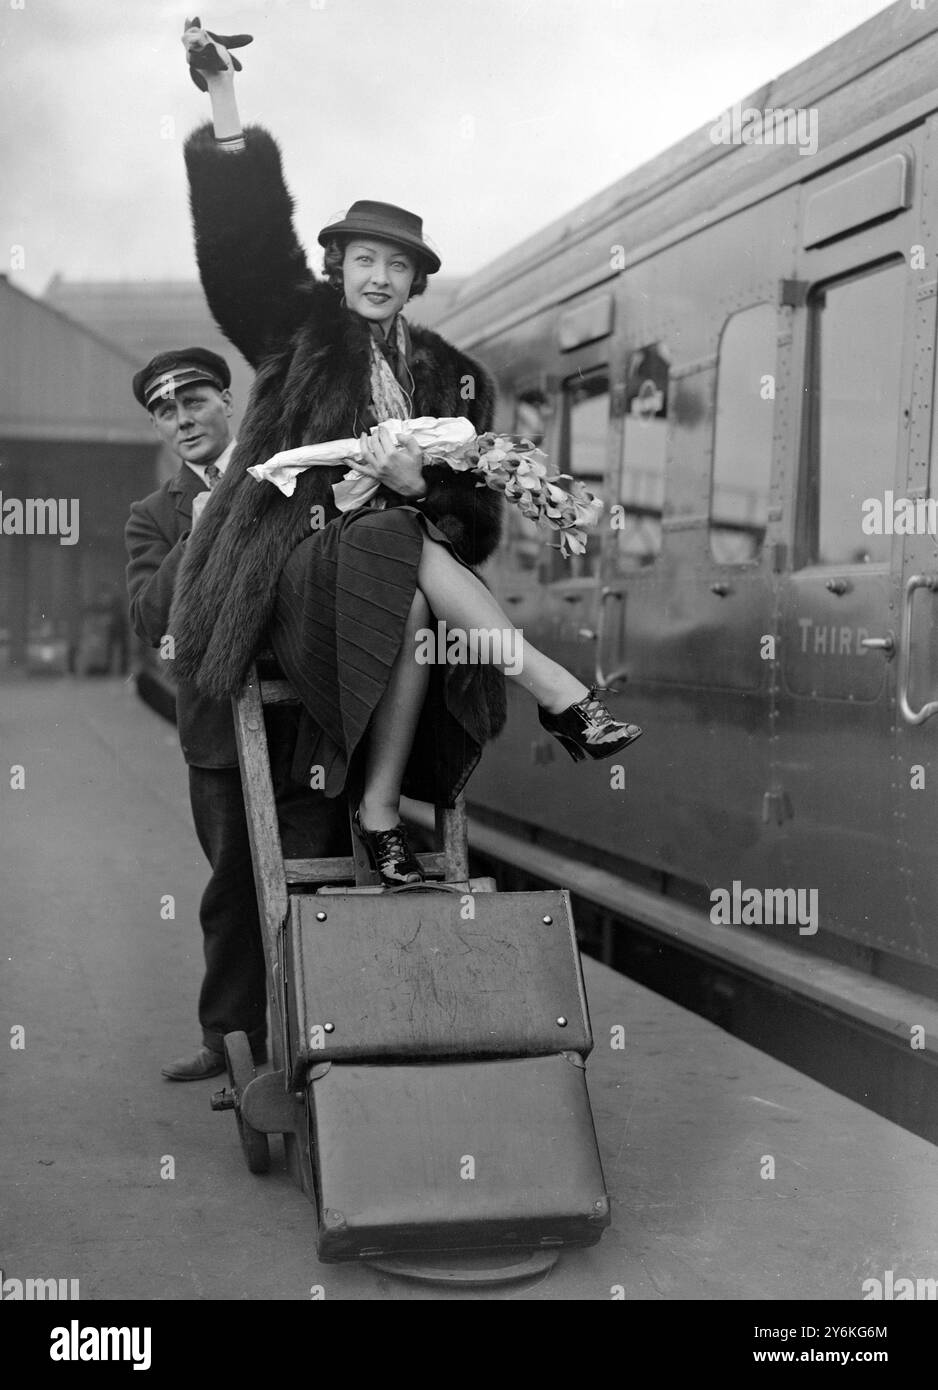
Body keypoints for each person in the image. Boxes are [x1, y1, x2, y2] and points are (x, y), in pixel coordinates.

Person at [168, 23, 642, 889]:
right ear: (337, 268)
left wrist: (418, 484)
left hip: (386, 597)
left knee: (409, 585)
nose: (379, 276)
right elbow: (243, 250)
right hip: (289, 579)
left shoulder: (455, 380)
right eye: (362, 260)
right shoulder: (296, 330)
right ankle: (559, 693)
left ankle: (381, 817)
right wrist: (225, 102)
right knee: (396, 545)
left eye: (396, 265)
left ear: (416, 283)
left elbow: (478, 529)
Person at [125, 347, 349, 1080]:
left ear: (228, 402)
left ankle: (327, 1033)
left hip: (306, 719)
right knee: (233, 887)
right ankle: (229, 1039)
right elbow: (149, 617)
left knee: (316, 876)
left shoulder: (286, 476)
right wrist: (198, 525)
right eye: (166, 411)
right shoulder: (152, 517)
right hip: (220, 734)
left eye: (194, 402)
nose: (182, 420)